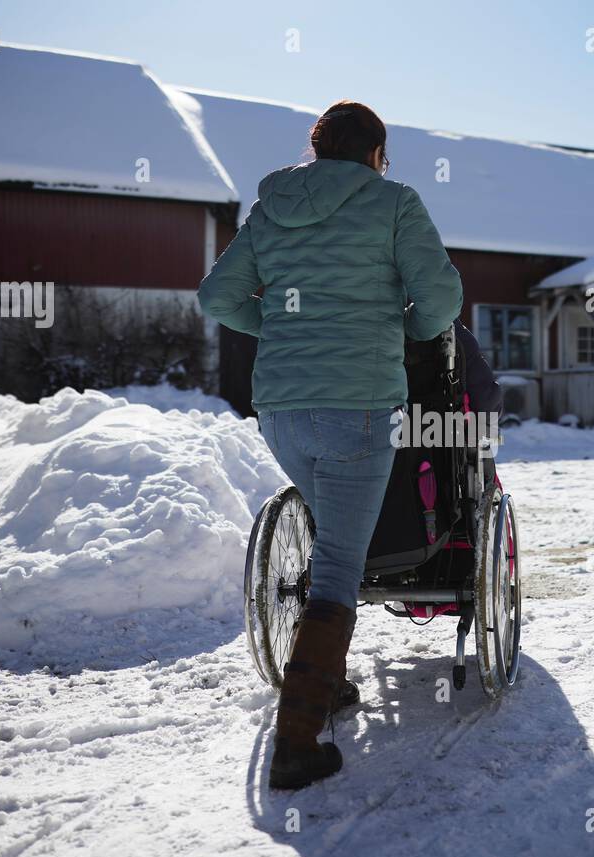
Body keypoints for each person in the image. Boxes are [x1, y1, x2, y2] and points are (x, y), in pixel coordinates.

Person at [198, 101, 462, 790]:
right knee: (342, 566)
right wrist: (401, 327)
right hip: (359, 406)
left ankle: (322, 680)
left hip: (281, 410)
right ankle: (297, 743)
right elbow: (438, 300)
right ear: (376, 153)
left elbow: (218, 297)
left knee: (329, 545)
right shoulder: (394, 202)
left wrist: (289, 329)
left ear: (317, 151)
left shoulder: (272, 205)